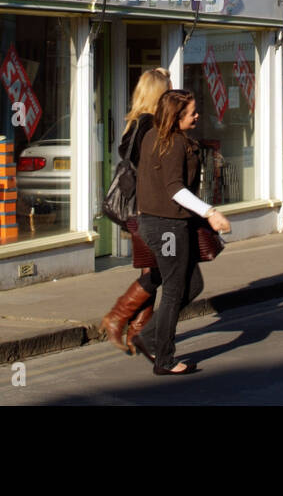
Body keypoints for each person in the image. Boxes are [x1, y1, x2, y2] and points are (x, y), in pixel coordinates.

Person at [131, 89, 231, 375]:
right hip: (167, 228)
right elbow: (175, 188)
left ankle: (148, 338)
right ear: (176, 117)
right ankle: (164, 359)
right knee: (175, 292)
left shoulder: (154, 136)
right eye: (192, 112)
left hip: (163, 223)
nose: (198, 115)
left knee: (192, 285)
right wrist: (210, 212)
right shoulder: (173, 143)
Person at [100, 68, 170, 353]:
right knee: (160, 270)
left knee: (152, 268)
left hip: (136, 210)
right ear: (159, 94)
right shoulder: (150, 126)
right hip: (147, 209)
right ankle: (117, 318)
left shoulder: (134, 124)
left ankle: (137, 333)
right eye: (169, 89)